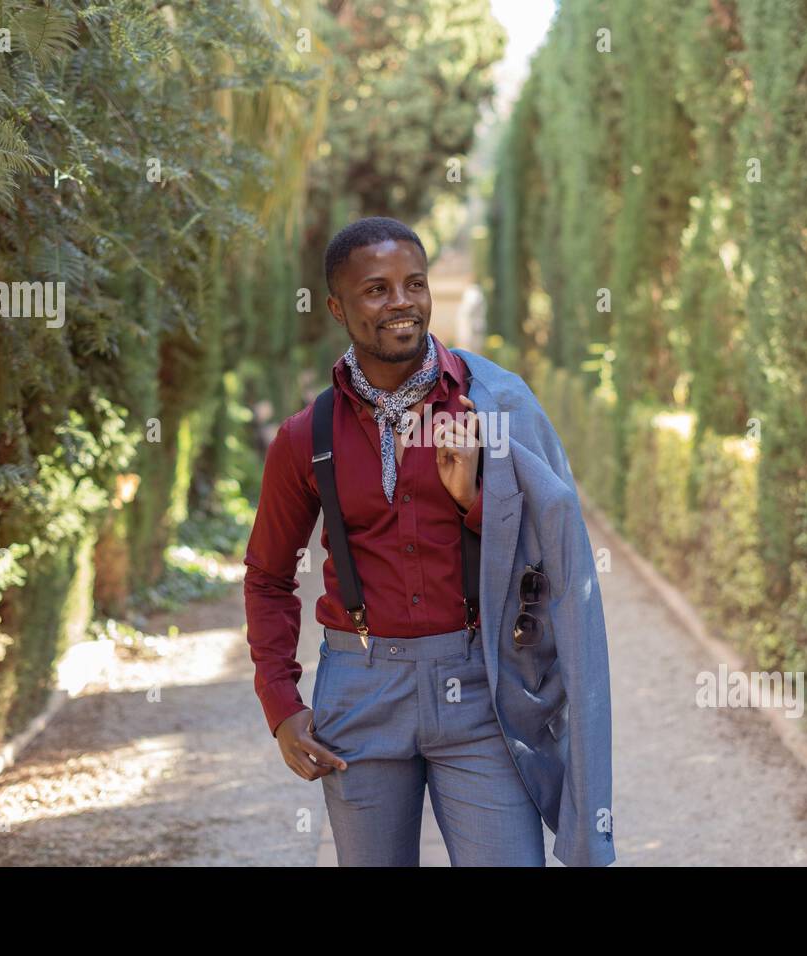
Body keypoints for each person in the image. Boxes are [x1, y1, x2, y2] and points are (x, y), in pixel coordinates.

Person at [243, 215, 615, 866]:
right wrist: (280, 702)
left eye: (414, 283)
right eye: (377, 290)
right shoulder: (307, 437)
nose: (402, 303)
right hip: (359, 689)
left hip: (478, 686)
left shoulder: (492, 405)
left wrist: (475, 500)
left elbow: (545, 552)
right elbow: (268, 576)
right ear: (337, 307)